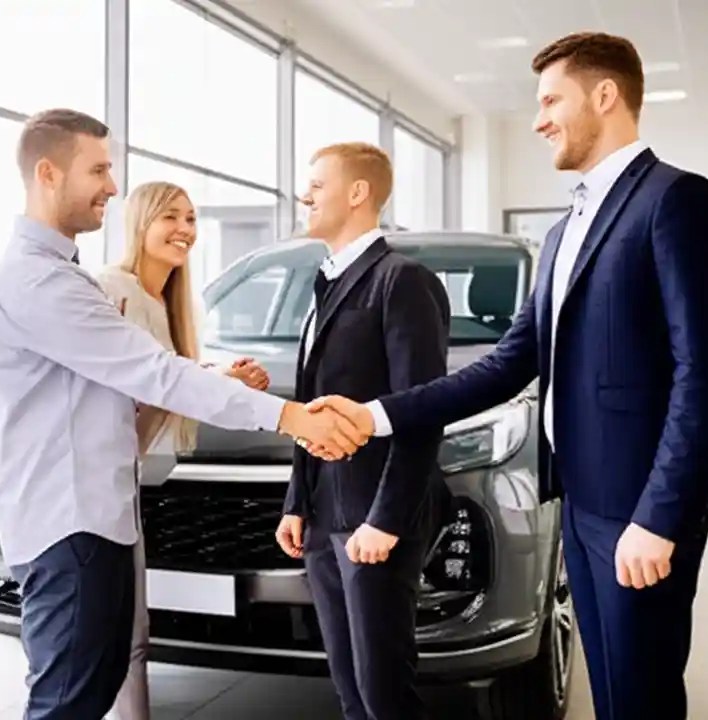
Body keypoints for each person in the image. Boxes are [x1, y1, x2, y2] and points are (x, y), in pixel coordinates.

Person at [307, 33, 708, 720]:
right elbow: (510, 362)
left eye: (550, 100)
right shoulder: (564, 227)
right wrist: (376, 415)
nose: (538, 119)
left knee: (644, 698)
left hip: (640, 508)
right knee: (614, 694)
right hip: (579, 497)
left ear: (605, 95)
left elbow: (707, 372)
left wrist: (659, 517)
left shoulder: (678, 200)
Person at [0, 108, 363, 720]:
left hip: (94, 515)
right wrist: (291, 417)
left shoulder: (62, 274)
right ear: (49, 173)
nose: (112, 186)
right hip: (68, 522)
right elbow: (155, 372)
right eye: (99, 170)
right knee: (65, 700)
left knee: (93, 682)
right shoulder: (41, 282)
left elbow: (135, 381)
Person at [275, 142, 450, 720]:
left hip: (374, 518)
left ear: (358, 193)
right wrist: (297, 502)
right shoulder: (322, 285)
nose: (305, 195)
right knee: (351, 693)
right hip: (326, 515)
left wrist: (387, 518)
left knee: (384, 695)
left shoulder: (402, 281)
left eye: (317, 185)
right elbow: (310, 406)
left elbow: (420, 410)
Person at [97, 180, 268, 720]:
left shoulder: (170, 306)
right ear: (139, 223)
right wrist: (217, 377)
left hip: (131, 485)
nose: (185, 230)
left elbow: (165, 383)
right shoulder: (111, 288)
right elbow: (141, 378)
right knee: (115, 640)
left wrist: (225, 378)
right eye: (171, 217)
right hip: (95, 488)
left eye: (192, 219)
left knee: (134, 638)